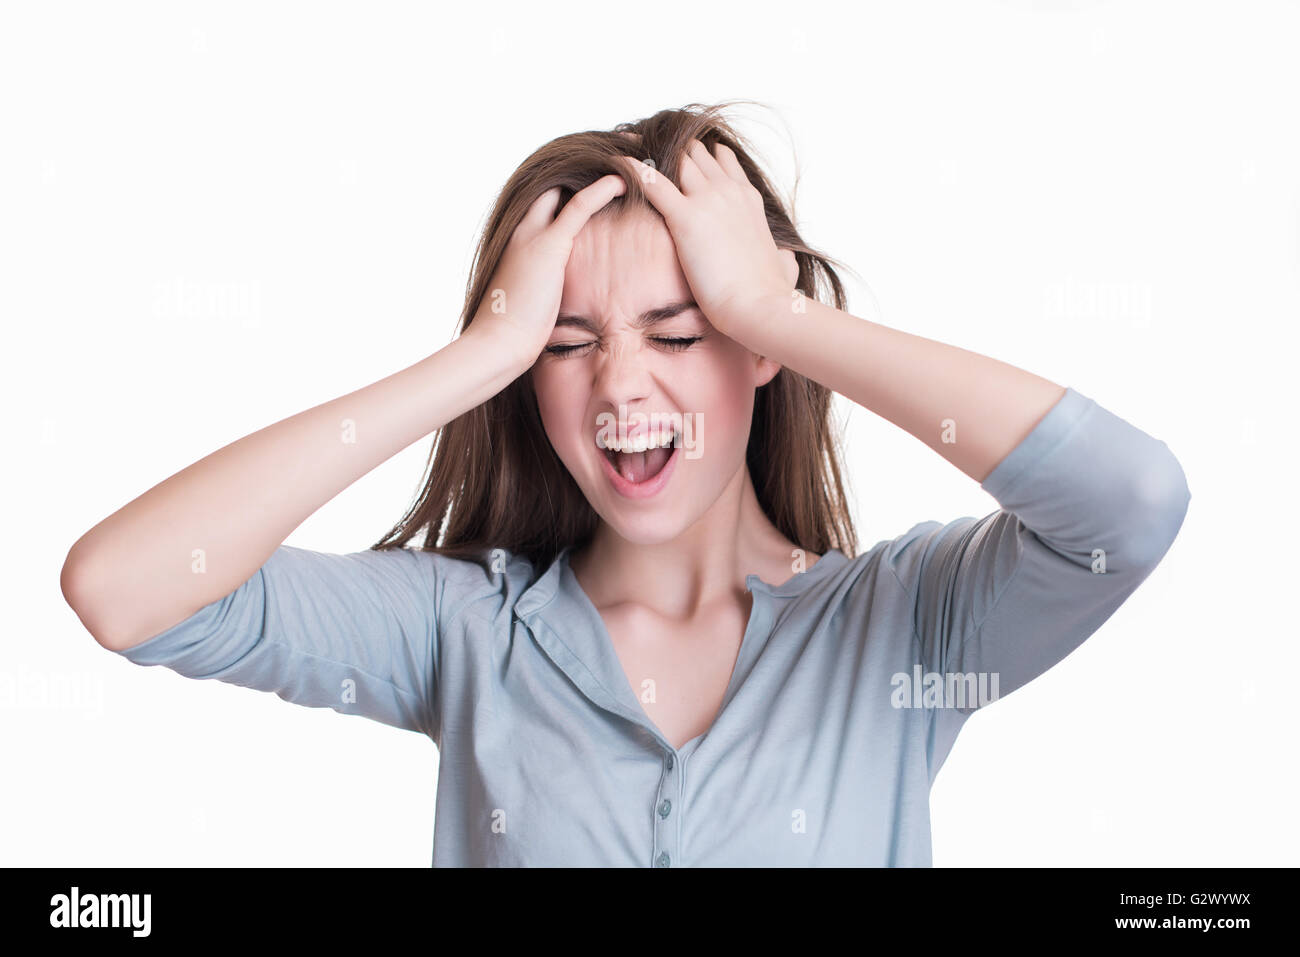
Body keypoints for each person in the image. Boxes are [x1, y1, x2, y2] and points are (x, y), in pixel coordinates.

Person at [60, 102, 1191, 866]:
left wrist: (775, 312)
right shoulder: (465, 634)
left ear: (758, 352)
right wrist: (474, 362)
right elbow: (126, 589)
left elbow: (1128, 504)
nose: (618, 384)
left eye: (678, 332)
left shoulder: (902, 633)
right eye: (566, 343)